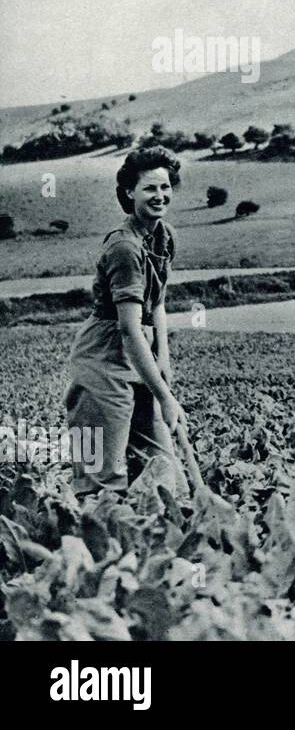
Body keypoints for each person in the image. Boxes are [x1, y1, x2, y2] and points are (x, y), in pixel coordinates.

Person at [64, 146, 185, 495]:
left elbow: (156, 302)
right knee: (101, 481)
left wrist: (163, 358)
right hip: (103, 359)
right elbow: (129, 328)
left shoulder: (164, 236)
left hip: (141, 357)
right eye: (150, 188)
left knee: (166, 477)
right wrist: (166, 397)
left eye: (165, 187)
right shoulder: (124, 248)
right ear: (130, 192)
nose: (160, 195)